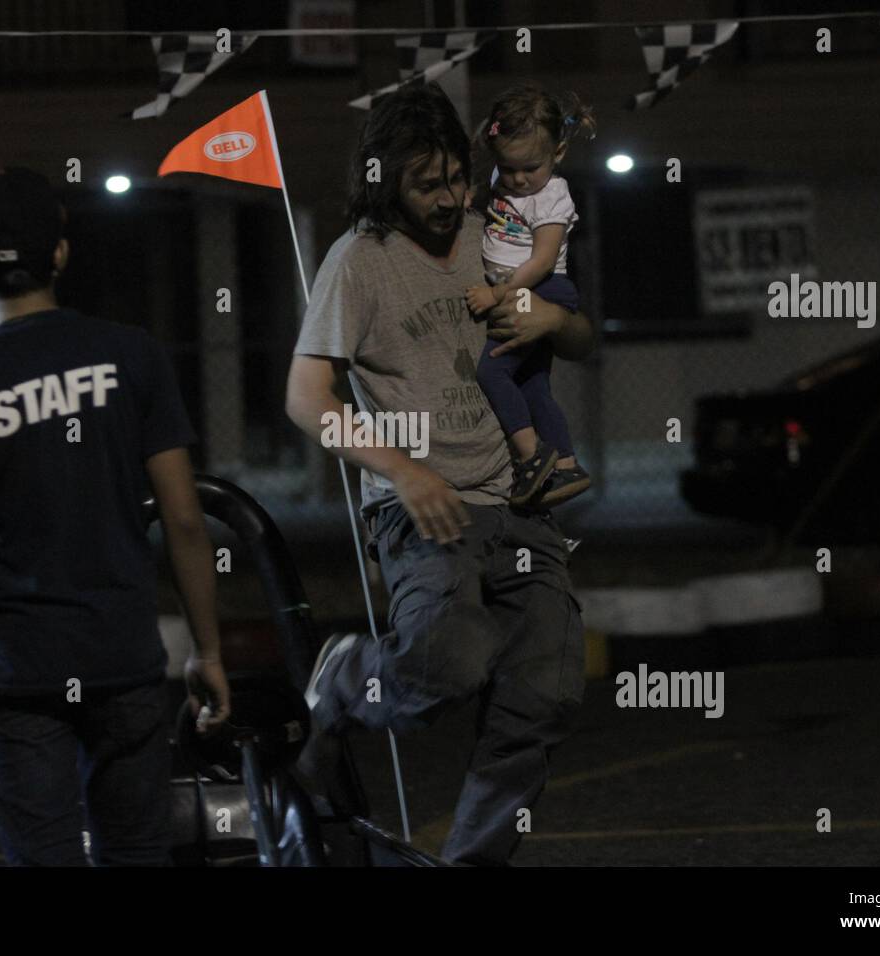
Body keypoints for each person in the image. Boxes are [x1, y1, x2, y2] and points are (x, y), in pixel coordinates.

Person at [285, 83, 592, 866]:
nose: (452, 197)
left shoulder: (502, 226)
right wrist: (402, 471)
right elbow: (305, 398)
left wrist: (556, 320)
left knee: (546, 690)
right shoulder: (359, 260)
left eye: (459, 176)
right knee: (450, 659)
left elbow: (585, 334)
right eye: (428, 184)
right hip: (420, 508)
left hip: (518, 500)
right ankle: (348, 675)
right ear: (385, 178)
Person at [0, 167, 230, 866]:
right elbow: (185, 520)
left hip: (15, 668)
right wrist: (208, 651)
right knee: (137, 854)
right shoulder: (133, 356)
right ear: (59, 252)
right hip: (122, 656)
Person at [465, 84, 595, 508]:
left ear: (557, 154)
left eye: (529, 169)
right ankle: (566, 467)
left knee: (492, 372)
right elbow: (495, 201)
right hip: (525, 287)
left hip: (540, 289)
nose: (518, 179)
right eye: (508, 168)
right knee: (535, 386)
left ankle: (531, 456)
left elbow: (540, 261)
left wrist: (497, 293)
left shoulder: (551, 195)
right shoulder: (507, 179)